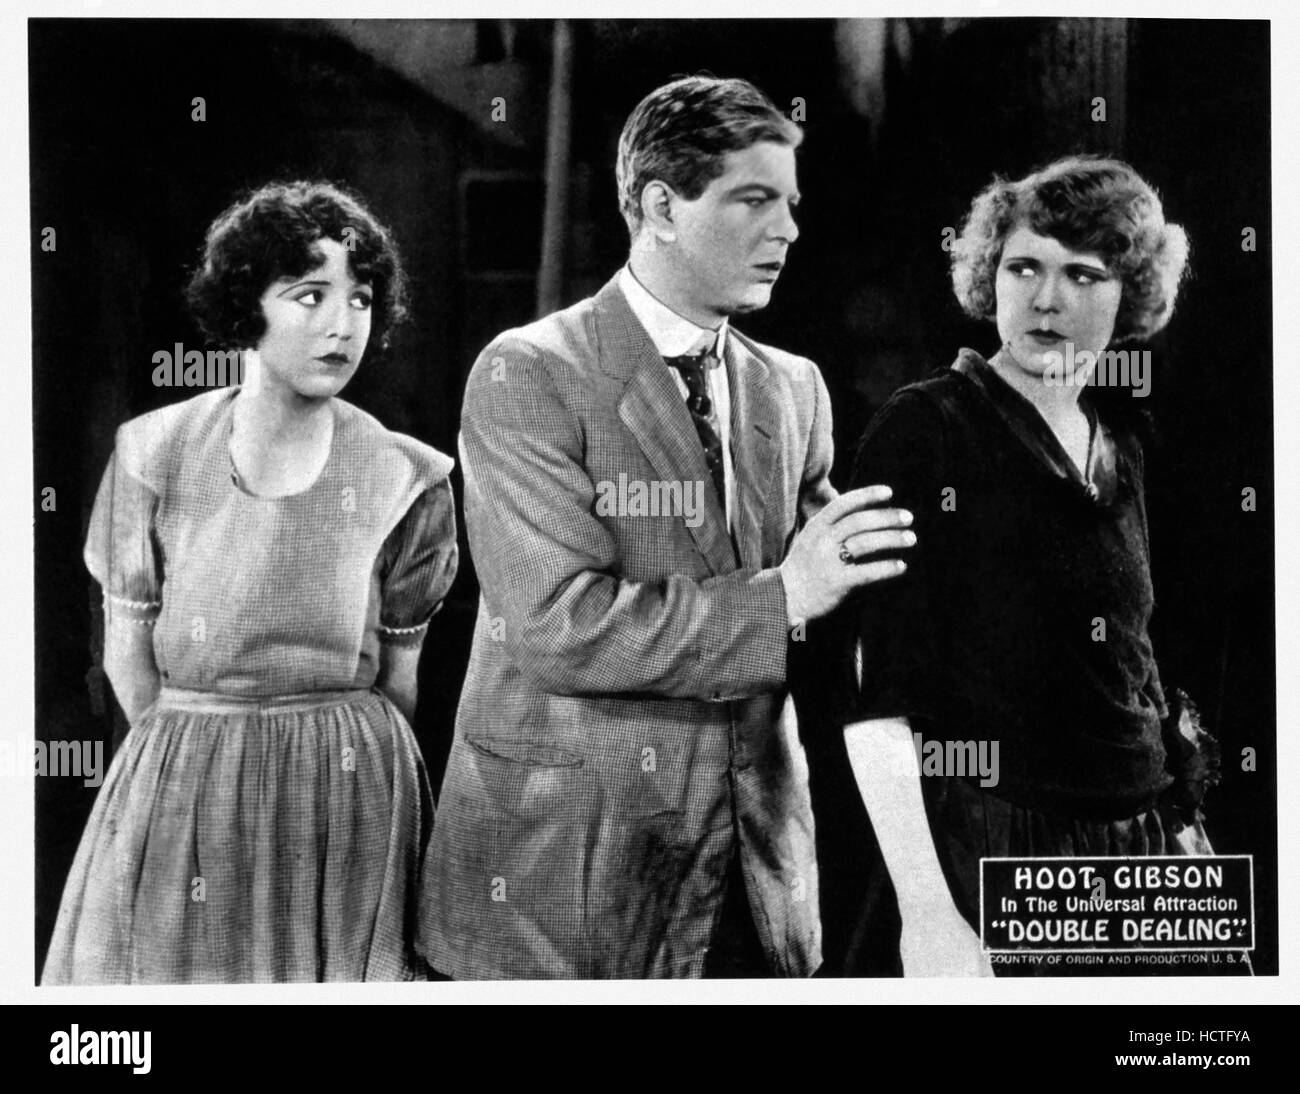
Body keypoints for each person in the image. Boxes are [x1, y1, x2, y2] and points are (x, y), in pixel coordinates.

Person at [420, 75, 913, 979]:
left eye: (791, 204)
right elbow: (561, 628)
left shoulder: (791, 386)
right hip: (565, 881)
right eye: (754, 201)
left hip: (749, 877)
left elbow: (832, 590)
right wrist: (785, 597)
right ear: (661, 206)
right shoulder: (528, 374)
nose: (788, 231)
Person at [42, 180, 457, 983]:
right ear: (245, 305)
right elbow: (129, 659)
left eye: (362, 298)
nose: (344, 324)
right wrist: (203, 766)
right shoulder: (152, 452)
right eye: (310, 295)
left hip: (347, 799)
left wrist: (329, 771)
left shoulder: (407, 475)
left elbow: (401, 685)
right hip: (185, 783)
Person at [824, 155, 1211, 977]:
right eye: (1023, 267)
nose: (1045, 298)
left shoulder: (1125, 441)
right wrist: (928, 913)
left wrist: (1181, 836)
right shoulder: (926, 429)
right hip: (994, 848)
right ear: (988, 276)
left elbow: (1130, 660)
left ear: (1130, 294)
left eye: (1083, 274)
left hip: (1141, 848)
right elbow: (875, 702)